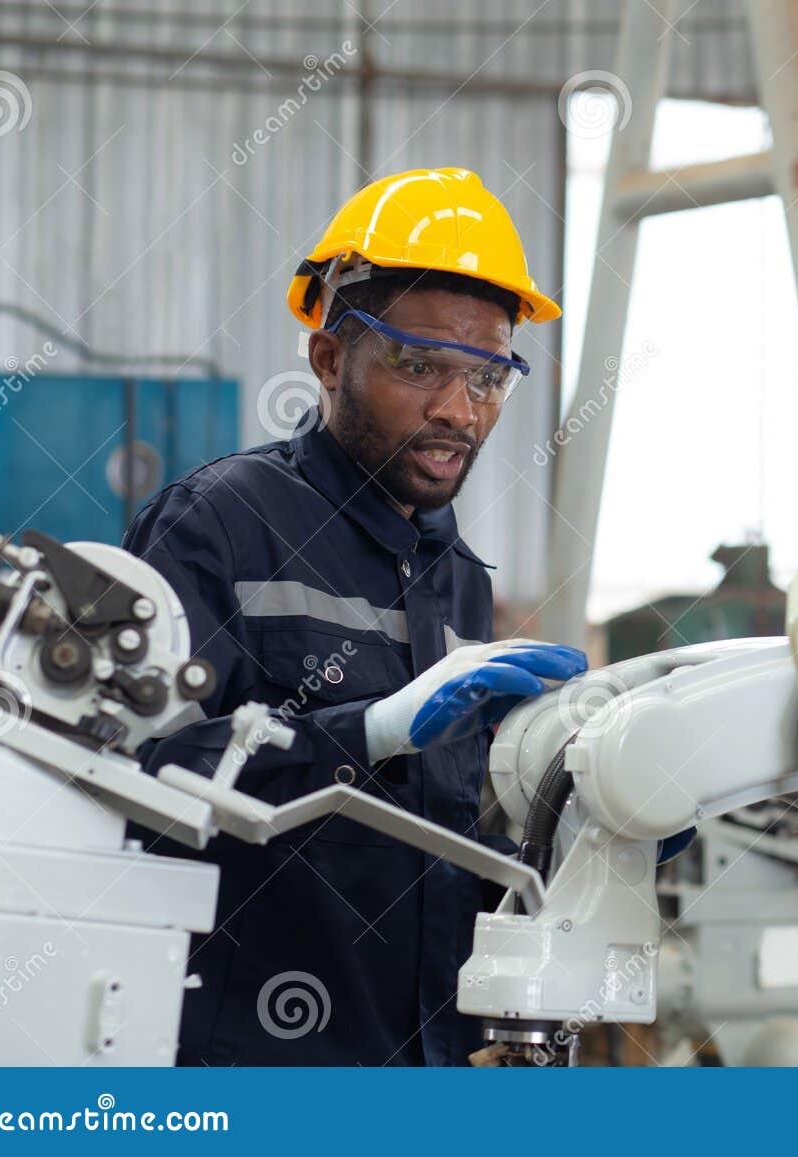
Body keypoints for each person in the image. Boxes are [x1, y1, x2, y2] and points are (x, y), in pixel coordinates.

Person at [125, 167, 586, 1065]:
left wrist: (581, 815)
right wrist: (364, 732)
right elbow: (141, 782)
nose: (461, 411)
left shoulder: (457, 578)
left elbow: (438, 840)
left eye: (491, 377)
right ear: (331, 358)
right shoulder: (219, 524)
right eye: (421, 367)